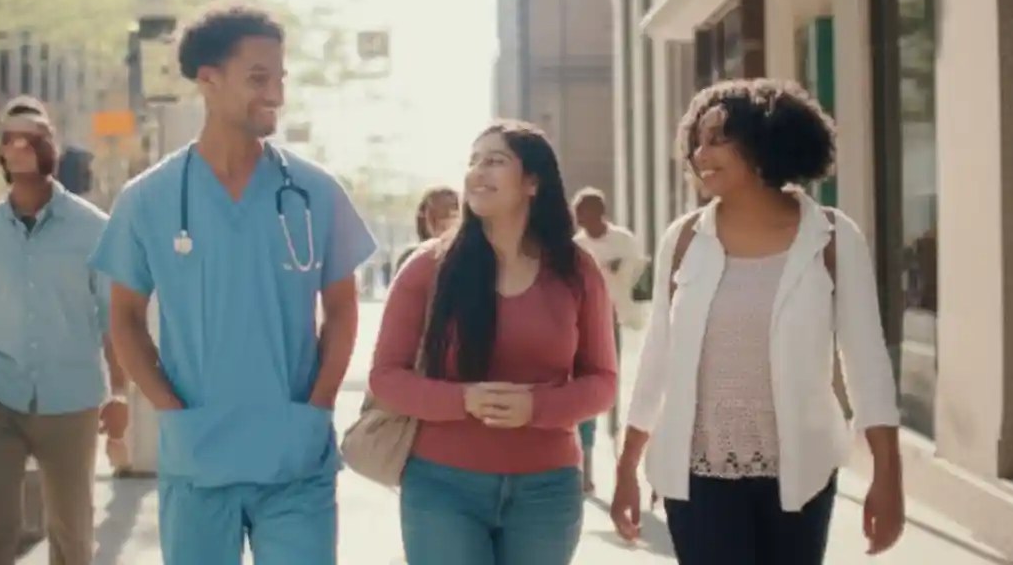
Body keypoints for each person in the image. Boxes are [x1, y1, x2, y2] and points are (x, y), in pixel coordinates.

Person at [88, 1, 376, 565]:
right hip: (198, 458)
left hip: (295, 461)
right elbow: (124, 317)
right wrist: (170, 409)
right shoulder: (149, 199)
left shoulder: (315, 192)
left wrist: (317, 406)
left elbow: (342, 309)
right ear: (209, 81)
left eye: (281, 79)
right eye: (258, 79)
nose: (276, 94)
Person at [611, 79, 905, 564]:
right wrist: (627, 467)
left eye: (717, 139)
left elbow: (867, 363)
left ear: (765, 140)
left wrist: (888, 477)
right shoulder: (683, 240)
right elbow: (657, 357)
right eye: (696, 142)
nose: (700, 154)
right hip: (696, 478)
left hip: (802, 475)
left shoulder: (832, 237)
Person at [369, 120, 617, 565]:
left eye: (495, 161)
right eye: (473, 161)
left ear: (532, 182)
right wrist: (463, 400)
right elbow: (386, 377)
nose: (478, 172)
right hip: (442, 487)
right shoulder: (429, 267)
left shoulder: (577, 269)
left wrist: (536, 407)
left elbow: (602, 381)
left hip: (547, 490)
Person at [0, 96, 129, 565]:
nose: (20, 148)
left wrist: (120, 393)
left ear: (51, 149)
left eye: (31, 139)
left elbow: (113, 316)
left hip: (71, 399)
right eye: (10, 140)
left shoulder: (95, 230)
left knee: (72, 537)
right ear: (1, 153)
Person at [570, 187, 646, 494]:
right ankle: (586, 467)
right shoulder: (576, 246)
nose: (581, 220)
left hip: (616, 322)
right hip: (584, 324)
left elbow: (640, 276)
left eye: (585, 213)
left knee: (611, 389)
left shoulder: (623, 240)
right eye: (578, 214)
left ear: (600, 212)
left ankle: (618, 455)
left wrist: (620, 269)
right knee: (586, 388)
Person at [394, 186, 460, 271]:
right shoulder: (411, 257)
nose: (444, 222)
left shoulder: (468, 255)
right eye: (436, 215)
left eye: (453, 215)